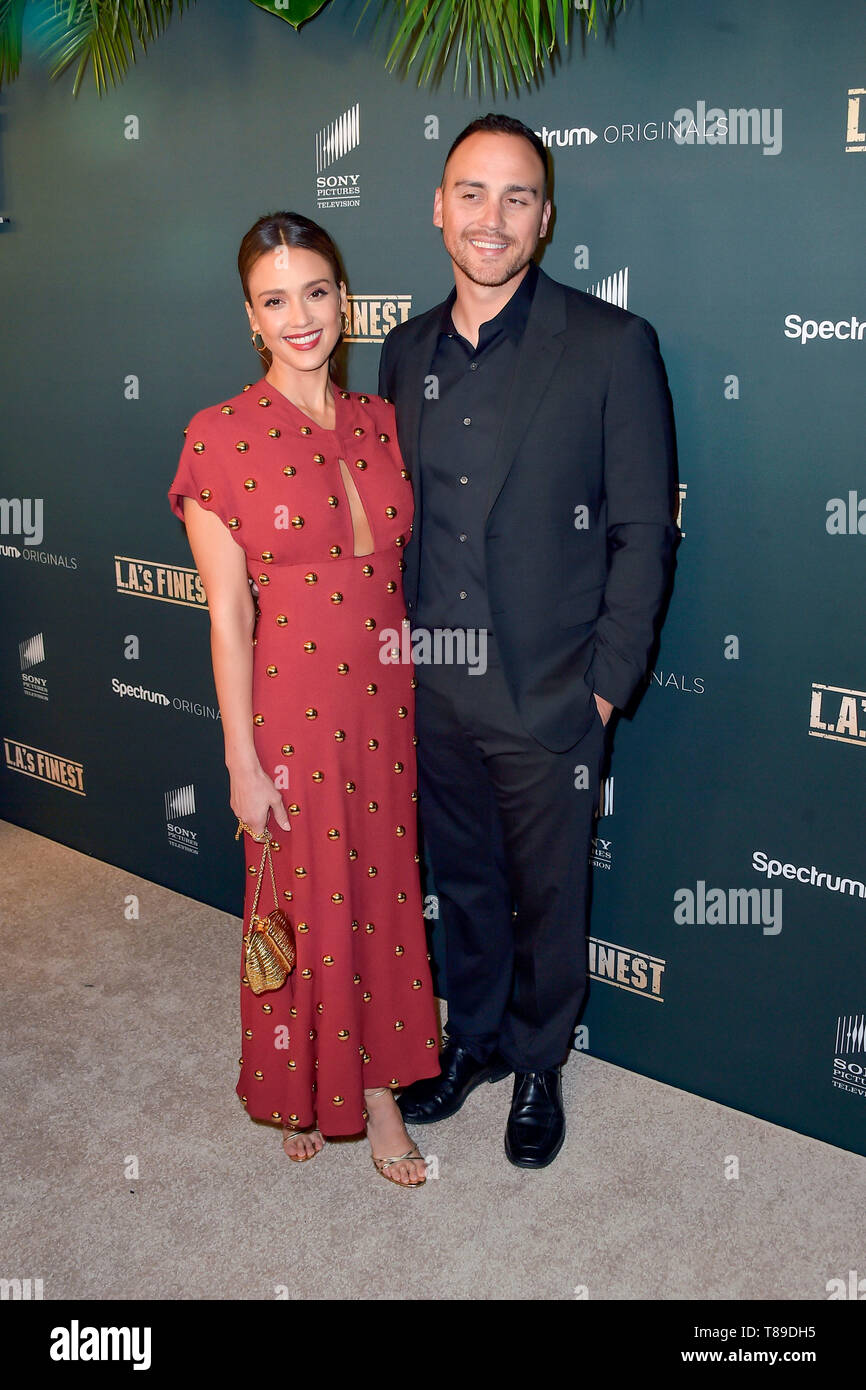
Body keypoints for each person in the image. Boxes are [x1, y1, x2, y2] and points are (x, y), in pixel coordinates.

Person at [379, 114, 678, 1169]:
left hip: (550, 691)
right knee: (461, 878)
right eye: (470, 193)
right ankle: (477, 1039)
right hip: (433, 689)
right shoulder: (403, 349)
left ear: (543, 219)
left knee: (551, 892)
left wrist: (605, 683)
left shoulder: (608, 345)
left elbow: (643, 528)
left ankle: (542, 1060)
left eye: (515, 198)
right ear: (437, 207)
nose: (489, 218)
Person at [167, 212, 440, 1187]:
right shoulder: (217, 437)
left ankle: (377, 1093)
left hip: (387, 703)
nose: (300, 315)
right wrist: (241, 760)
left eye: (316, 292)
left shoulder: (383, 422)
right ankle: (299, 1082)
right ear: (250, 315)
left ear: (343, 301)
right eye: (276, 299)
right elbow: (227, 618)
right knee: (297, 900)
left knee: (378, 896)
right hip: (292, 707)